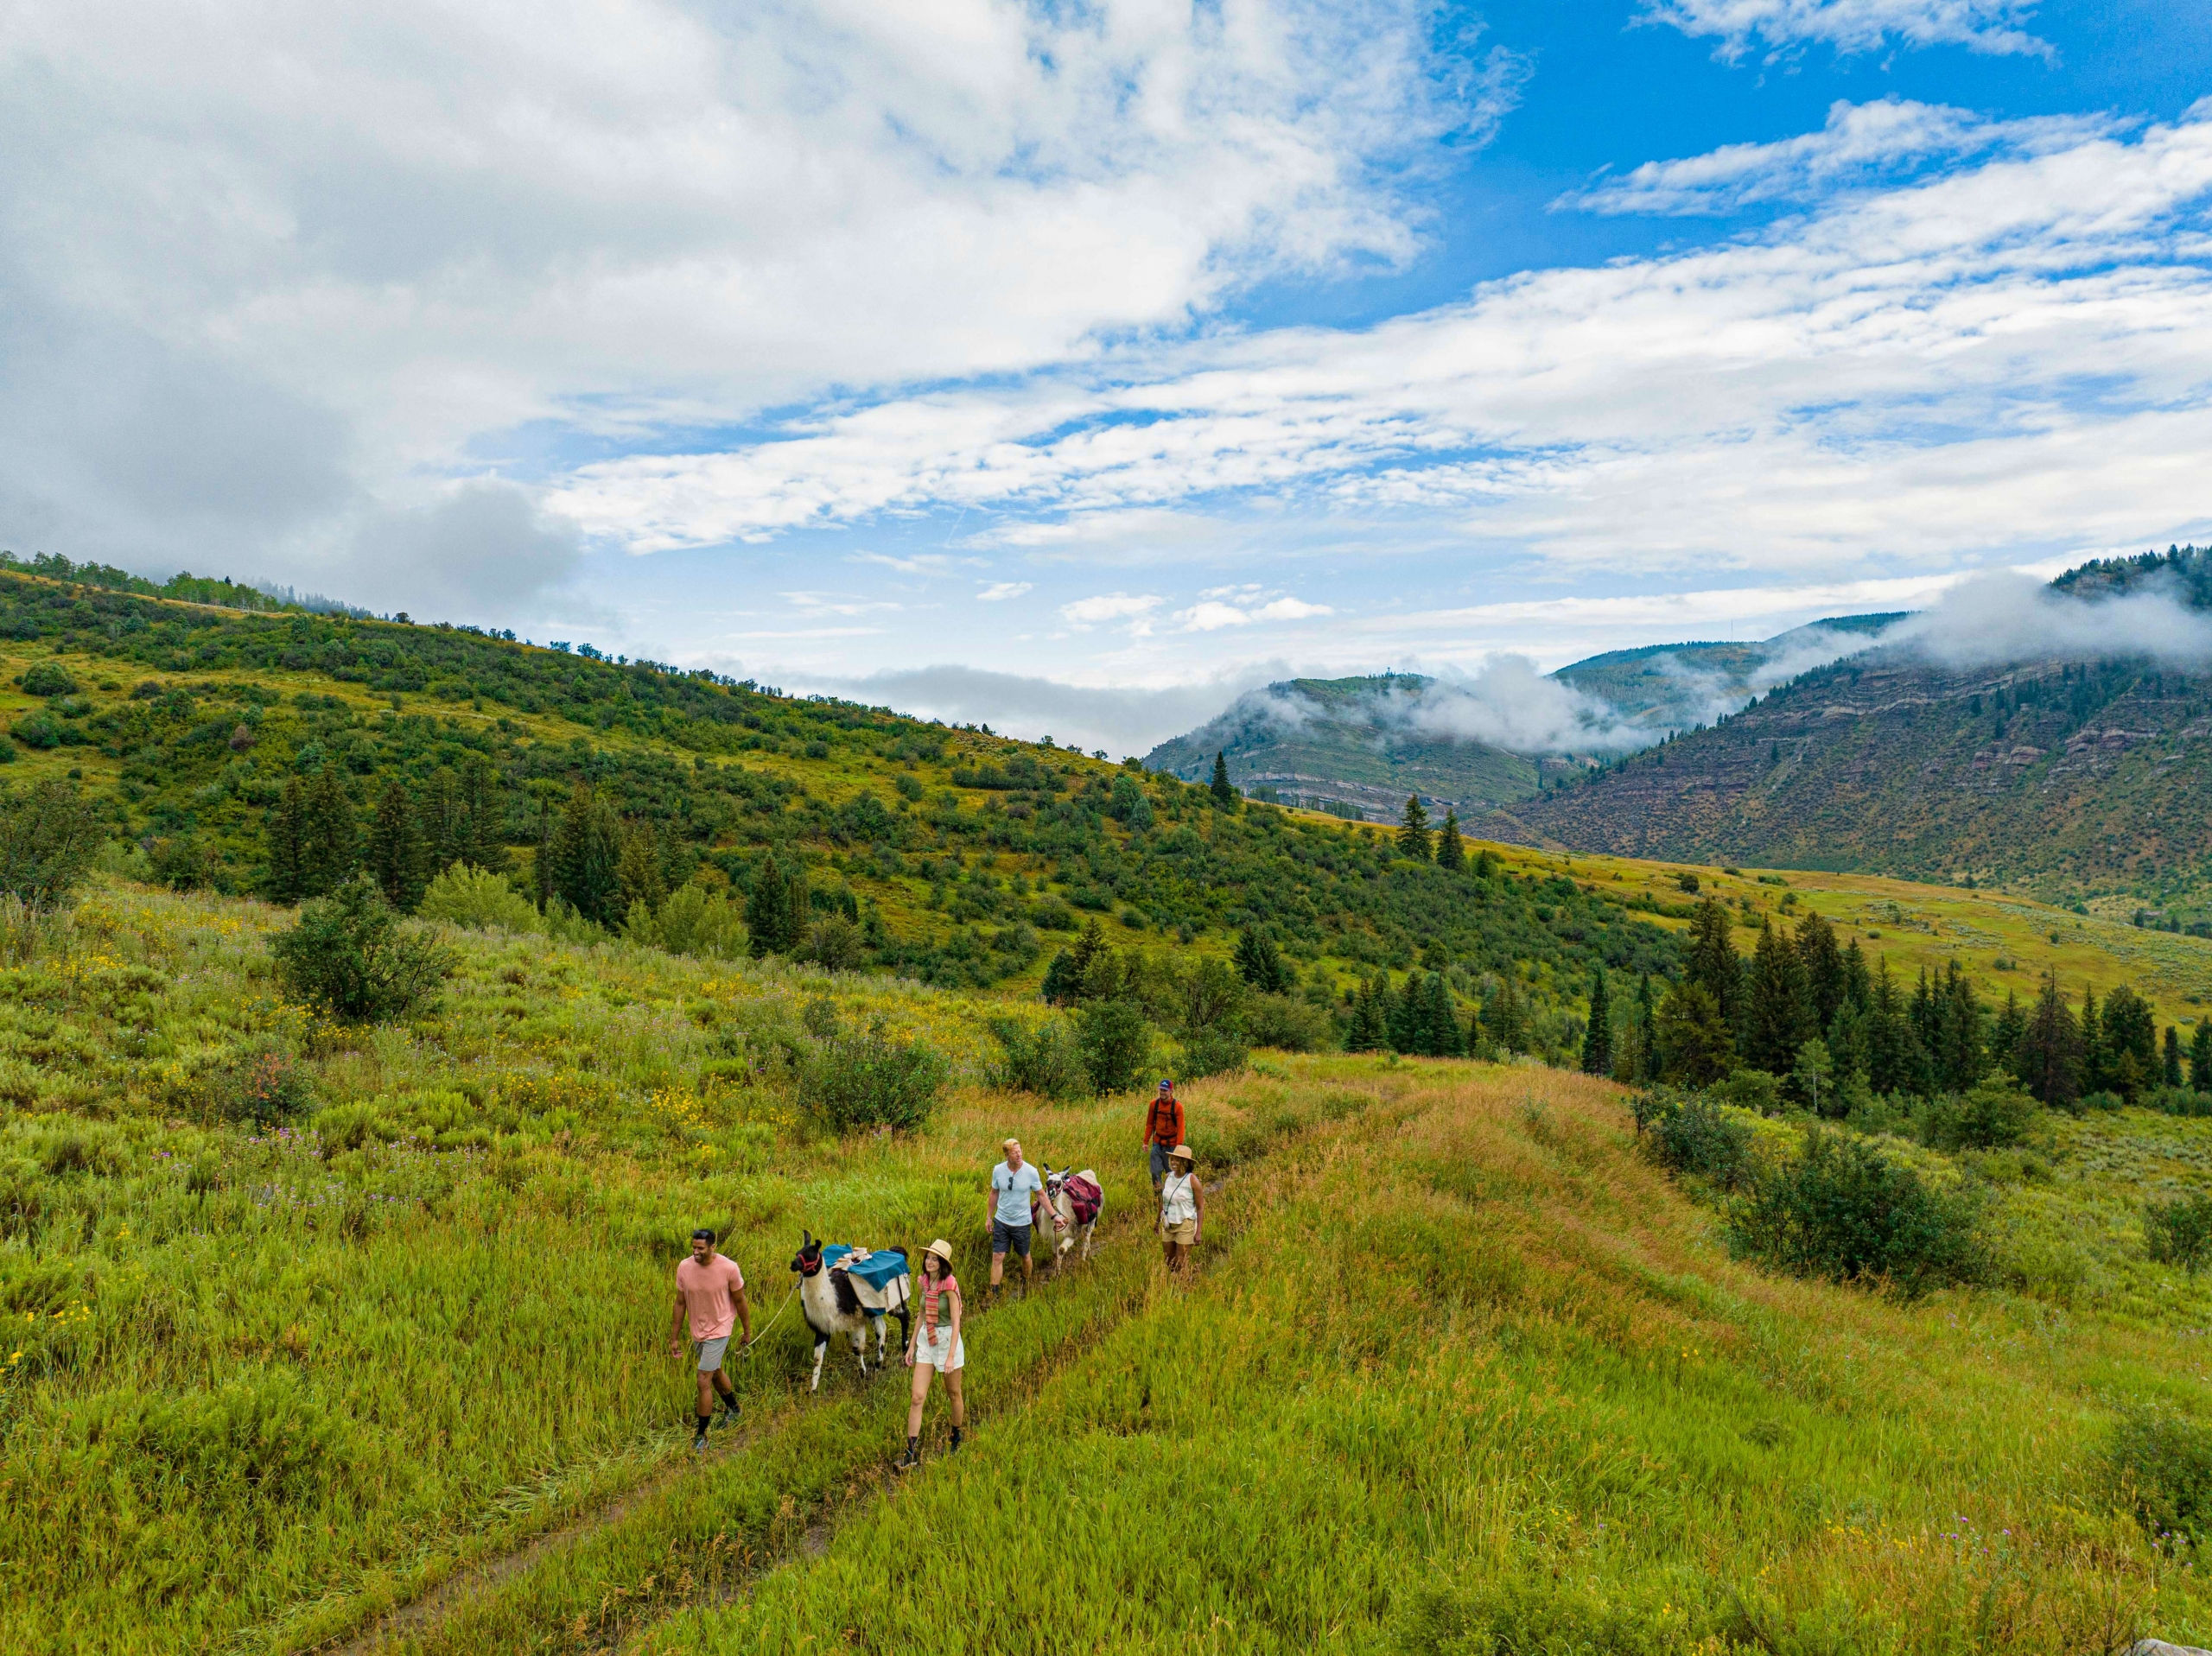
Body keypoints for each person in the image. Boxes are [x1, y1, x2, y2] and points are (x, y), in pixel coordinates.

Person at [669, 1227, 751, 1454]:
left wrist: (746, 1331)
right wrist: (674, 1337)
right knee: (714, 1372)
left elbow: (740, 1301)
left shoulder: (728, 1268)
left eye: (701, 1248)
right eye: (694, 1247)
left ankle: (701, 1436)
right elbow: (680, 1303)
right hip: (698, 1331)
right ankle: (734, 1409)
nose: (696, 1252)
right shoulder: (684, 1268)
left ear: (713, 1247)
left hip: (720, 1328)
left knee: (702, 1379)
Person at [898, 1238, 964, 1471]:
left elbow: (956, 1322)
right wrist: (912, 1345)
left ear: (943, 1263)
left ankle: (956, 1436)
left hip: (947, 1339)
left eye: (935, 1259)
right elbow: (920, 1313)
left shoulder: (949, 1285)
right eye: (928, 1257)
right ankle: (910, 1452)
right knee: (917, 1397)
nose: (930, 1261)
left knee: (953, 1392)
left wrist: (950, 1356)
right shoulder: (923, 1283)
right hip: (928, 1337)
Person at [984, 1136, 1057, 1299]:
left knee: (1025, 1255)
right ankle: (994, 1293)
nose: (1019, 1154)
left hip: (1022, 1223)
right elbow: (994, 1192)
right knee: (998, 1256)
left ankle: (1027, 1282)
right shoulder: (998, 1170)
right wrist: (989, 1217)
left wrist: (1054, 1216)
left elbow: (1041, 1195)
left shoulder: (1031, 1172)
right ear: (1007, 1155)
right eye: (1015, 1152)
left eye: (1020, 1151)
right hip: (1002, 1220)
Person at [1159, 1145, 1205, 1274]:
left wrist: (1199, 1232)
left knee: (1181, 1262)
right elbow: (1163, 1201)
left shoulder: (1193, 1181)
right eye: (1172, 1159)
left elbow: (1200, 1208)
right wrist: (1157, 1222)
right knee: (1169, 1261)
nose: (1174, 1162)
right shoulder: (1168, 1177)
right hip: (1168, 1223)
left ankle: (1184, 1290)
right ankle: (1173, 1289)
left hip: (1185, 1224)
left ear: (1185, 1162)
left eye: (1178, 1160)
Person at [1143, 1078, 1184, 1194]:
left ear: (1171, 1091)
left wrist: (1179, 1148)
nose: (1162, 1093)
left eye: (1165, 1090)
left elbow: (1181, 1129)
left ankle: (1172, 1197)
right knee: (1155, 1172)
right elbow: (1150, 1124)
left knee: (1171, 1174)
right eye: (1161, 1090)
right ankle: (1159, 1198)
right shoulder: (1154, 1104)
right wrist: (1145, 1141)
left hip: (1171, 1146)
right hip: (1157, 1144)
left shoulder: (1177, 1107)